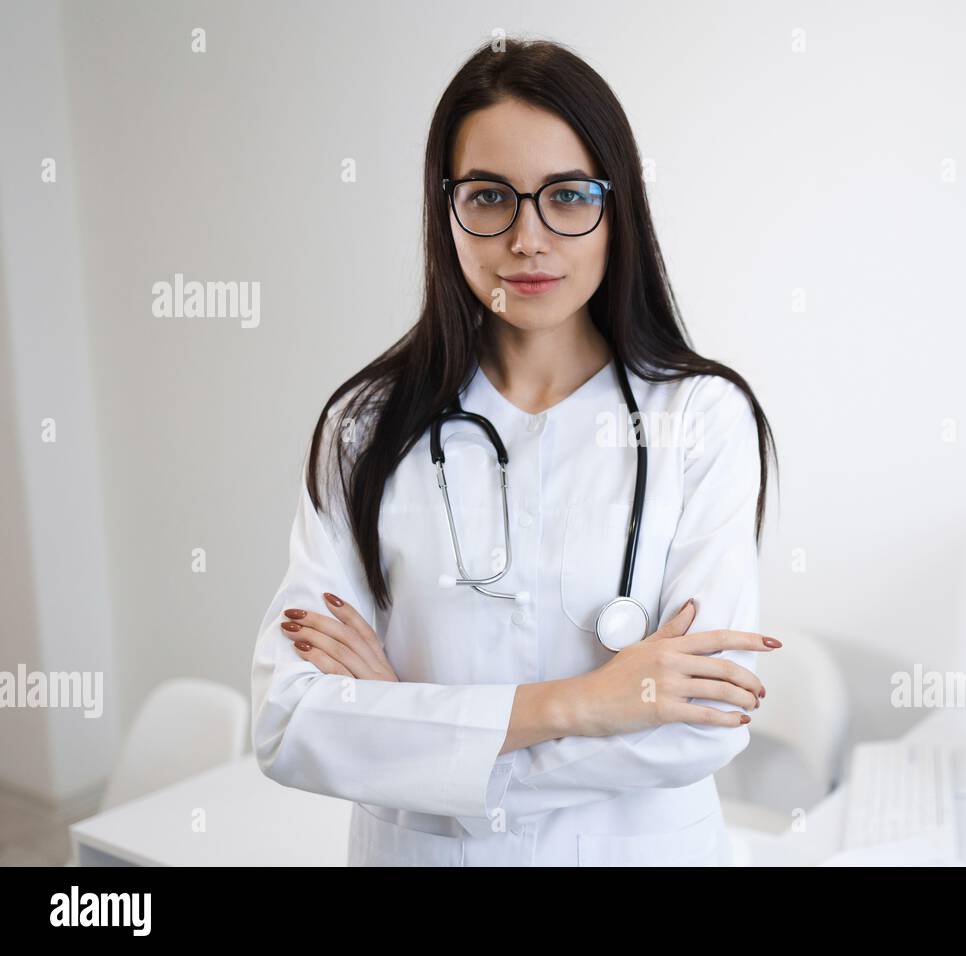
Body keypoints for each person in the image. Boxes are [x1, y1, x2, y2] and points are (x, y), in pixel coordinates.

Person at [250, 37, 781, 866]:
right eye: (492, 196)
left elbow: (698, 726)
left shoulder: (705, 419)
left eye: (568, 196)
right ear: (446, 207)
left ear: (619, 207)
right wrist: (588, 703)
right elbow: (289, 722)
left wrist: (415, 732)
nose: (529, 238)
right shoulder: (366, 426)